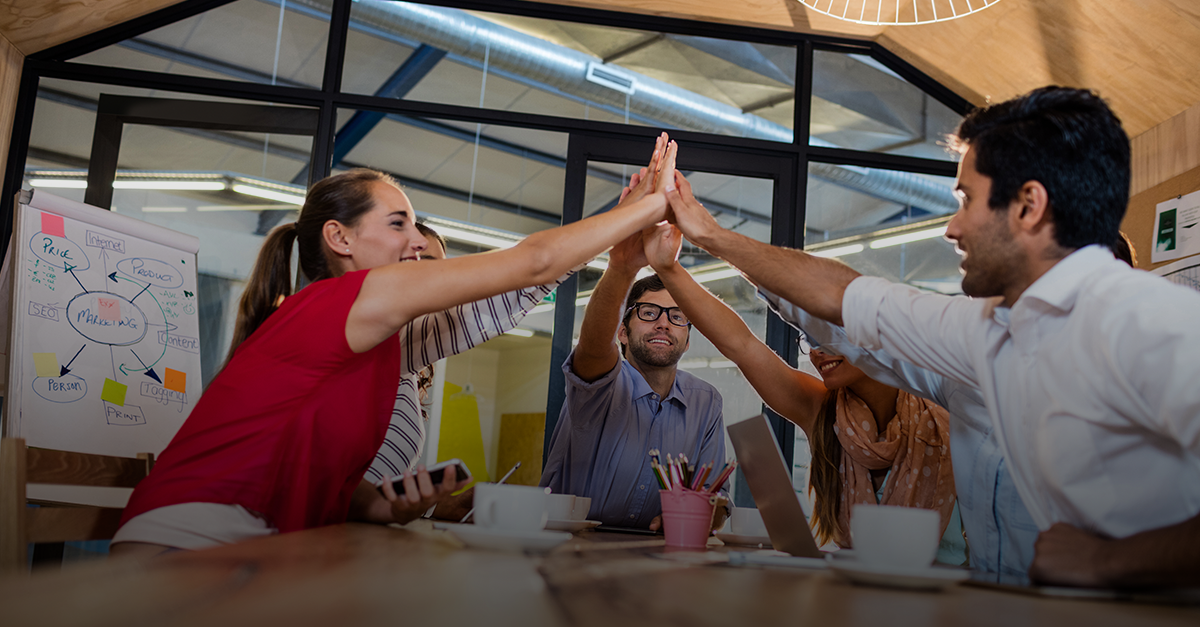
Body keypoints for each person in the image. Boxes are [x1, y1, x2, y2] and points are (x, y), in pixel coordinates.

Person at [663, 87, 1200, 587]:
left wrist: (1110, 560)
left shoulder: (1157, 323)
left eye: (967, 199)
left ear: (1028, 206)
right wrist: (708, 234)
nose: (952, 227)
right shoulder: (985, 333)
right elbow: (844, 299)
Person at [110, 133, 676, 556]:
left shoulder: (379, 342)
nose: (416, 242)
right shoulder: (346, 300)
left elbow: (491, 307)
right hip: (185, 541)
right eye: (399, 224)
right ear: (341, 238)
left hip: (252, 548)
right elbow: (533, 262)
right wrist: (647, 207)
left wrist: (377, 502)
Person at [641, 223, 962, 561]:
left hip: (947, 598)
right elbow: (742, 345)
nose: (817, 351)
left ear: (872, 333)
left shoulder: (947, 409)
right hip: (848, 593)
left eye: (830, 335)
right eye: (811, 339)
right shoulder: (823, 410)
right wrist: (668, 269)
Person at [540, 157, 727, 531]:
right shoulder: (602, 386)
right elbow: (593, 348)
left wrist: (708, 513)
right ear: (622, 332)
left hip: (656, 557)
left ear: (688, 338)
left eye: (677, 317)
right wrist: (622, 267)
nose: (663, 322)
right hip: (567, 551)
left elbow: (713, 497)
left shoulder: (706, 402)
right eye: (647, 312)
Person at [364, 222, 572, 521]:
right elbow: (525, 276)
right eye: (418, 265)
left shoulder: (403, 370)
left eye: (438, 270)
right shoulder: (380, 344)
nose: (436, 281)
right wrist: (625, 222)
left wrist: (439, 509)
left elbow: (367, 487)